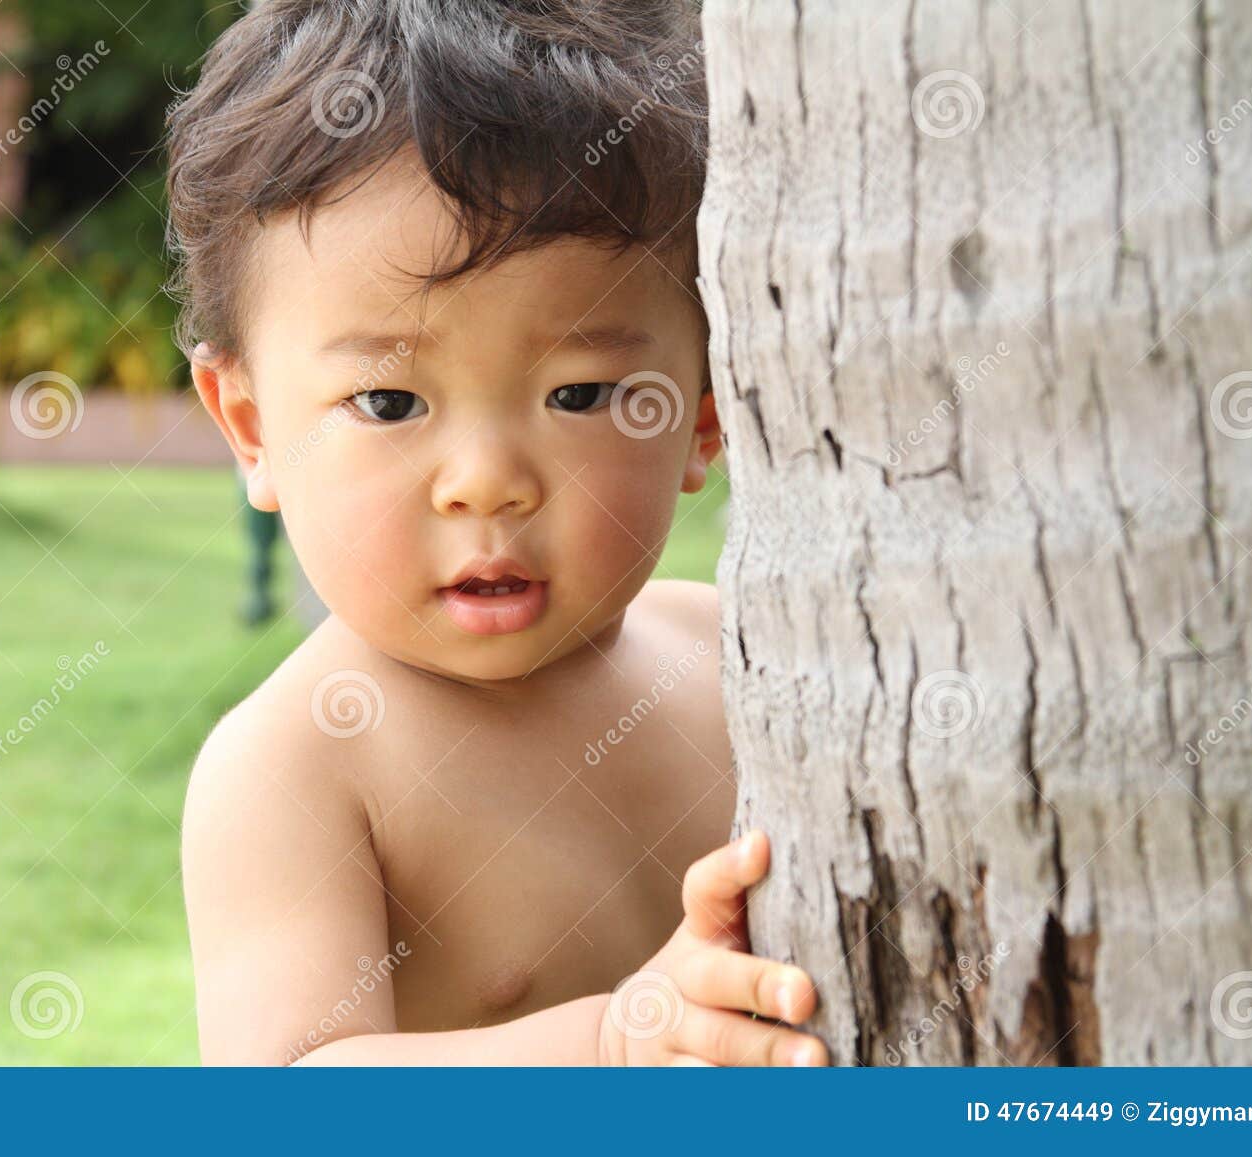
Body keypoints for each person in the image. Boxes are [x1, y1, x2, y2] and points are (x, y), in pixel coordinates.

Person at [166, 0, 827, 1065]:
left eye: (579, 393)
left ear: (703, 406)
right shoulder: (298, 764)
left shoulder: (734, 655)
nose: (485, 484)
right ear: (252, 427)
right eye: (388, 404)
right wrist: (612, 1040)